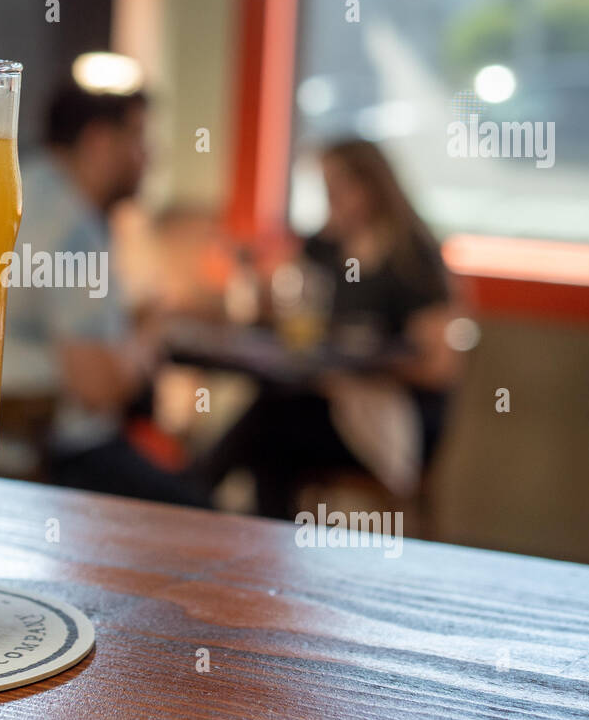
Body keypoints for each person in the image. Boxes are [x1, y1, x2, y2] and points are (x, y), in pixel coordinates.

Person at [198, 137, 462, 518]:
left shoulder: (412, 260)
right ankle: (254, 533)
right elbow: (280, 306)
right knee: (274, 427)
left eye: (339, 188)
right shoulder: (325, 246)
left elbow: (439, 367)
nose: (331, 200)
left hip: (392, 414)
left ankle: (191, 495)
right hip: (328, 401)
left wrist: (364, 362)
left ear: (372, 186)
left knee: (271, 426)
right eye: (326, 188)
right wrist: (251, 275)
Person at [1, 84, 207, 507]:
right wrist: (155, 330)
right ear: (98, 141)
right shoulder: (72, 230)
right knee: (206, 515)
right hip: (58, 462)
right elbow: (97, 390)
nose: (149, 157)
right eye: (139, 139)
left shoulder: (21, 190)